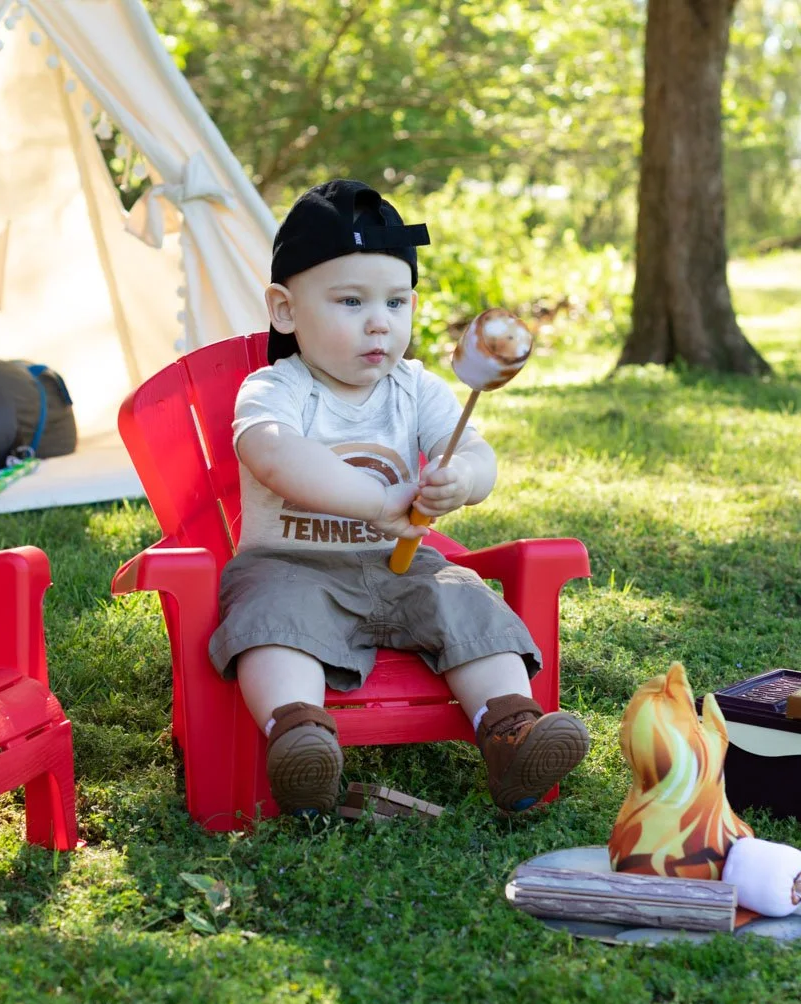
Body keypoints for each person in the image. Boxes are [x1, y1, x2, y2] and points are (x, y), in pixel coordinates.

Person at [207, 179, 589, 817]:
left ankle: (510, 732)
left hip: (403, 564)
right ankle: (300, 737)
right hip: (292, 566)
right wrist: (374, 500)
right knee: (273, 624)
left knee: (467, 603)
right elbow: (273, 453)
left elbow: (477, 454)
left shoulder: (416, 387)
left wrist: (462, 480)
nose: (379, 321)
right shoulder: (277, 388)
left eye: (395, 301)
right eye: (351, 301)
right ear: (285, 310)